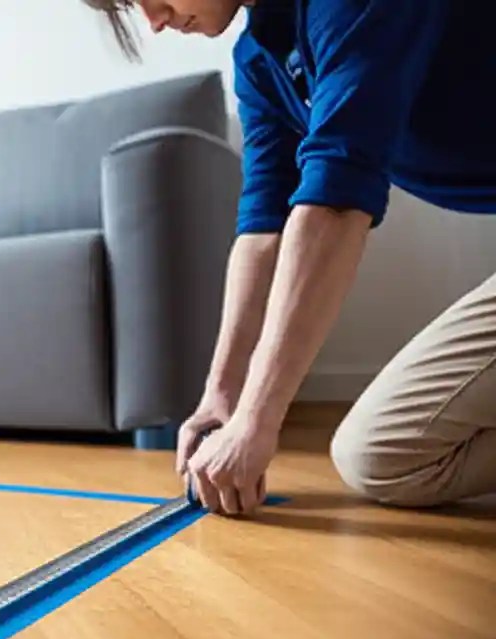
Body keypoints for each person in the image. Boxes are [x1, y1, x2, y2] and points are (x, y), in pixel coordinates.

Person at [82, 0, 496, 515]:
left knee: (379, 456)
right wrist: (222, 395)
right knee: (383, 454)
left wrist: (256, 419)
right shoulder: (259, 60)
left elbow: (336, 203)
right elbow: (262, 229)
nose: (153, 19)